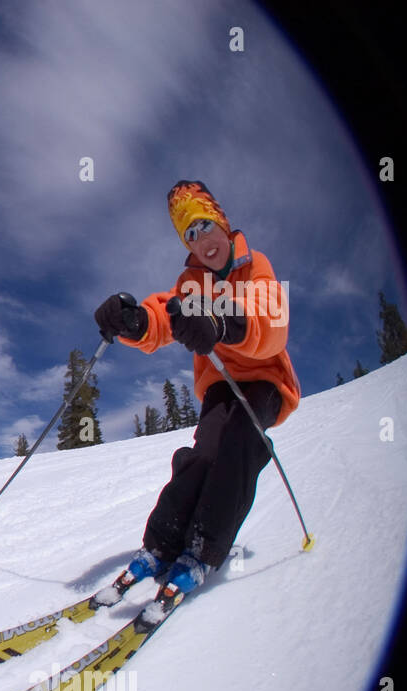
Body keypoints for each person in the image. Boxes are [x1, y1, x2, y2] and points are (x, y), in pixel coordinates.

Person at [92, 180, 300, 597]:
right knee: (205, 453)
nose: (201, 239)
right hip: (222, 383)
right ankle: (161, 543)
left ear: (222, 223)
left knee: (239, 444)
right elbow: (165, 316)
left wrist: (221, 321)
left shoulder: (254, 264)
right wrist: (135, 322)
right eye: (189, 233)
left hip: (264, 379)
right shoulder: (191, 282)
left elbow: (271, 317)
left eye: (204, 226)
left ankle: (203, 549)